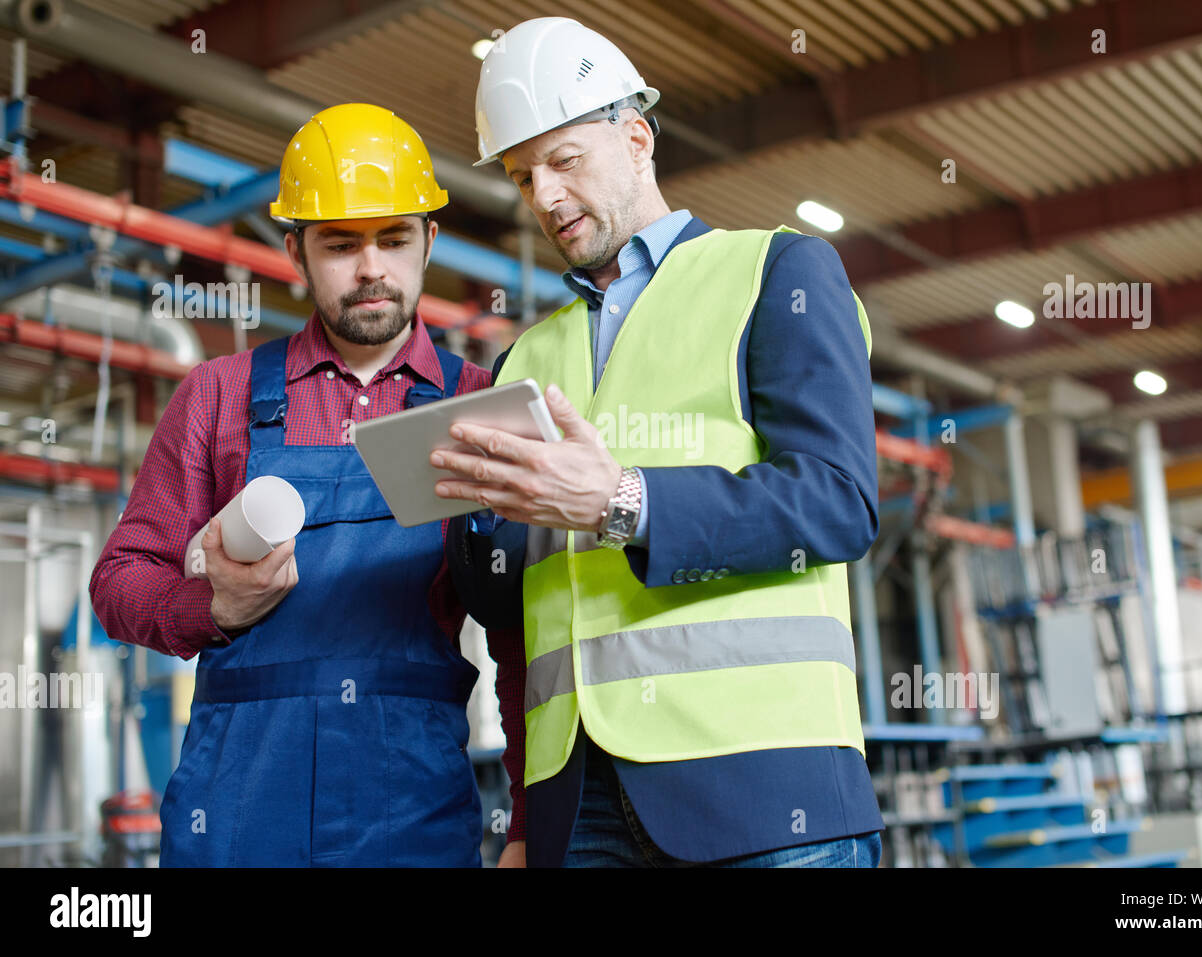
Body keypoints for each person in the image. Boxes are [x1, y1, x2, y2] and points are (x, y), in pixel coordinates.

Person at [439, 18, 885, 868]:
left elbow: (838, 501)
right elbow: (513, 606)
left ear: (636, 137)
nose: (547, 197)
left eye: (565, 161)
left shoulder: (776, 275)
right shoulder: (524, 358)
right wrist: (467, 520)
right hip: (578, 796)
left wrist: (621, 501)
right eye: (523, 175)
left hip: (762, 785)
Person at [89, 103, 526, 867]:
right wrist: (210, 606)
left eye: (393, 238)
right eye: (340, 243)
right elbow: (118, 582)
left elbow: (522, 635)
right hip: (237, 811)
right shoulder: (219, 396)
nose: (370, 269)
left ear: (429, 240)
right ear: (294, 251)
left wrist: (526, 820)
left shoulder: (479, 404)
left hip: (413, 810)